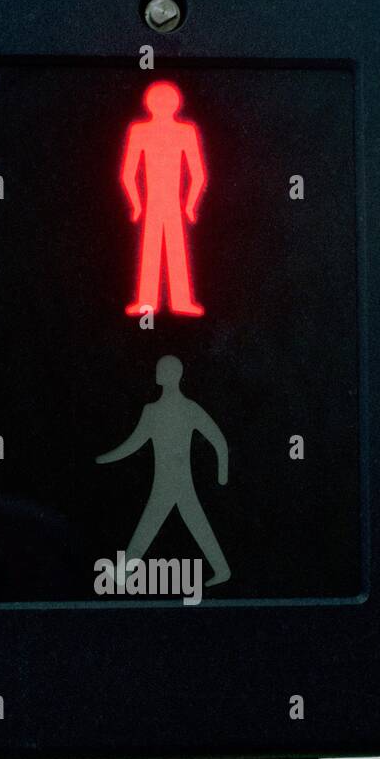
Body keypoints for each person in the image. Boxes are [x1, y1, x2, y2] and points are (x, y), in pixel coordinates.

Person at [96, 354, 230, 587]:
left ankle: (125, 573)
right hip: (168, 483)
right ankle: (222, 569)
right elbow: (134, 443)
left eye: (161, 369)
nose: (157, 373)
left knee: (155, 524)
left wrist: (222, 474)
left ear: (172, 375)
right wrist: (107, 458)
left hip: (174, 483)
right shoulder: (154, 411)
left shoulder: (188, 408)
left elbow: (218, 440)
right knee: (184, 523)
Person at [121, 81, 206, 316]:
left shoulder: (184, 132)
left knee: (167, 249)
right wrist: (136, 203)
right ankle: (152, 302)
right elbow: (128, 173)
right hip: (158, 203)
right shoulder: (140, 130)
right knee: (154, 250)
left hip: (166, 203)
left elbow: (197, 174)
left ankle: (177, 302)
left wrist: (189, 204)